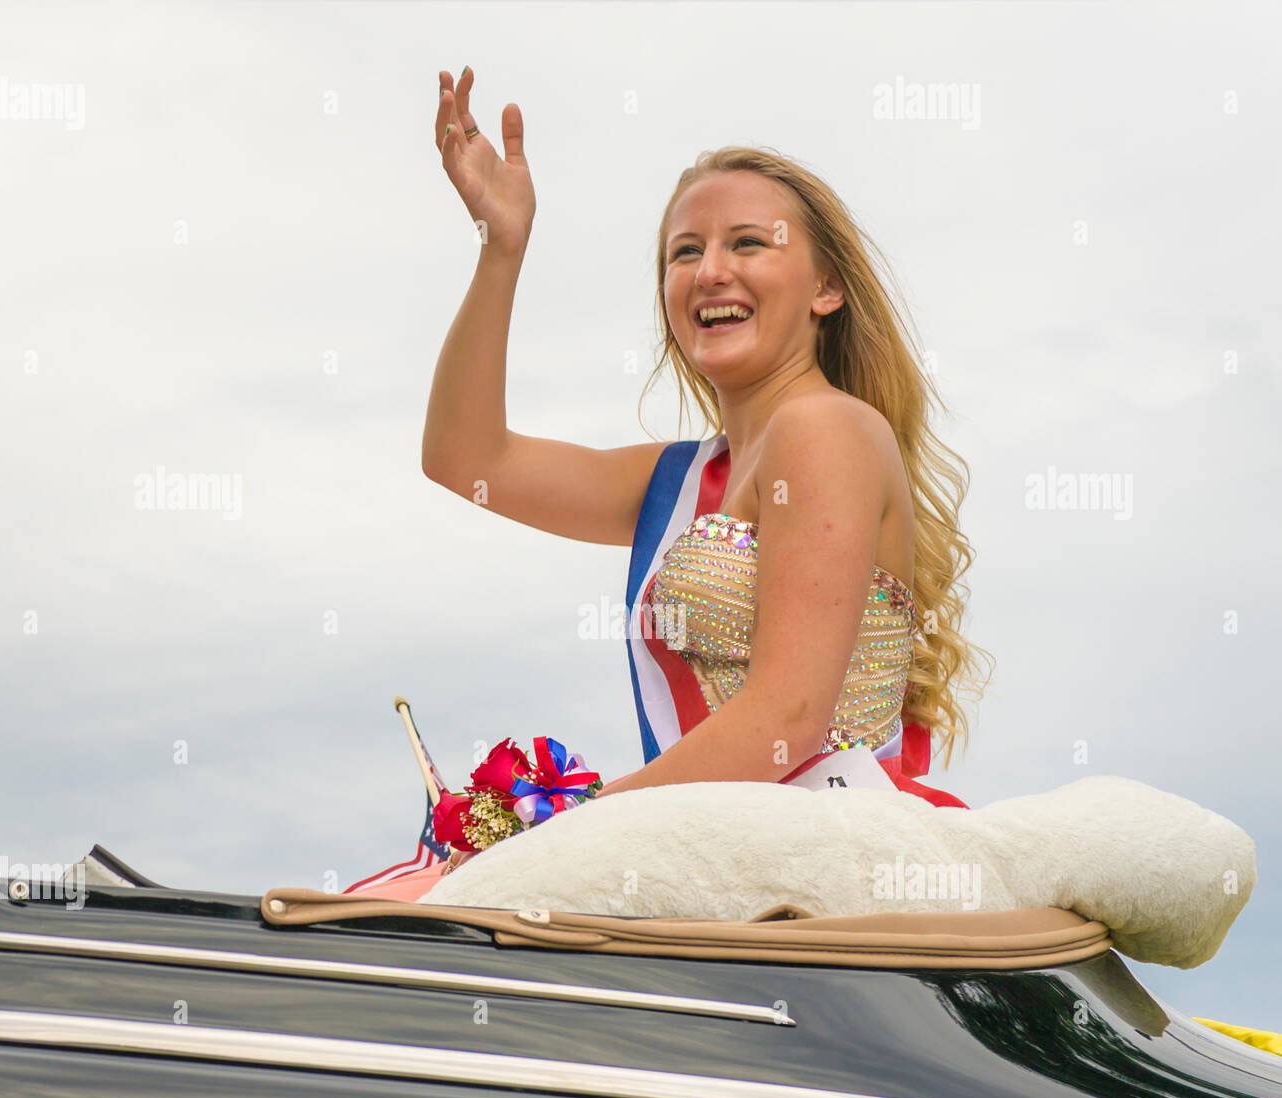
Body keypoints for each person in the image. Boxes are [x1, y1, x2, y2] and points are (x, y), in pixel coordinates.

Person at [367, 66, 992, 903]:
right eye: (684, 253)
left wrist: (558, 831)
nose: (709, 272)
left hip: (812, 877)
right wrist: (501, 246)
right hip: (710, 861)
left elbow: (787, 721)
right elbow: (465, 460)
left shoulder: (826, 428)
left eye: (748, 243)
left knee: (408, 914)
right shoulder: (676, 480)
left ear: (826, 289)